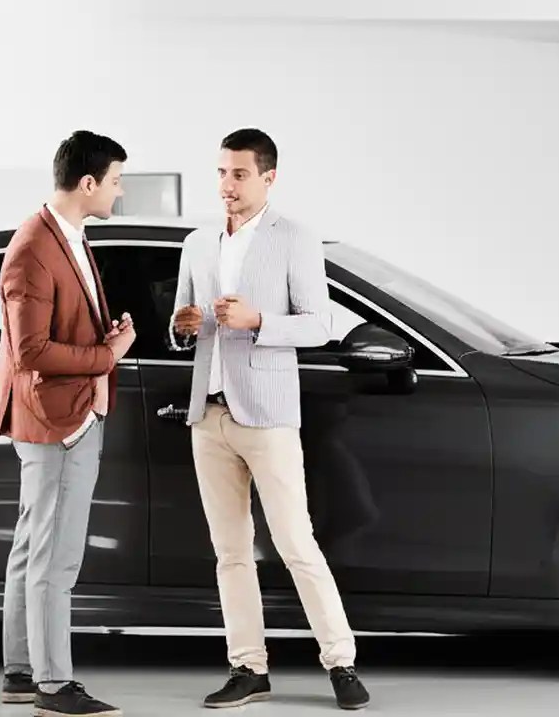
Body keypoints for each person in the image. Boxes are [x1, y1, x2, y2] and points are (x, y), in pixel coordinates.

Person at [169, 128, 371, 711]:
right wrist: (182, 330)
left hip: (268, 414)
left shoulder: (295, 239)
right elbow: (187, 327)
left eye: (238, 174)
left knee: (295, 542)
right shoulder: (198, 243)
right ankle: (247, 667)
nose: (226, 185)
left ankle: (341, 663)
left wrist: (259, 320)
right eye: (221, 173)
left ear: (268, 178)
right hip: (208, 413)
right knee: (230, 550)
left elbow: (320, 323)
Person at [0, 129, 135, 717]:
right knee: (56, 555)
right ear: (89, 182)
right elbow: (30, 351)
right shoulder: (33, 247)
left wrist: (108, 335)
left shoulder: (66, 235)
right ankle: (53, 685)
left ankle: (22, 673)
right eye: (117, 182)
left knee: (32, 548)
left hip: (66, 412)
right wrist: (108, 357)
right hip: (58, 420)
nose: (120, 194)